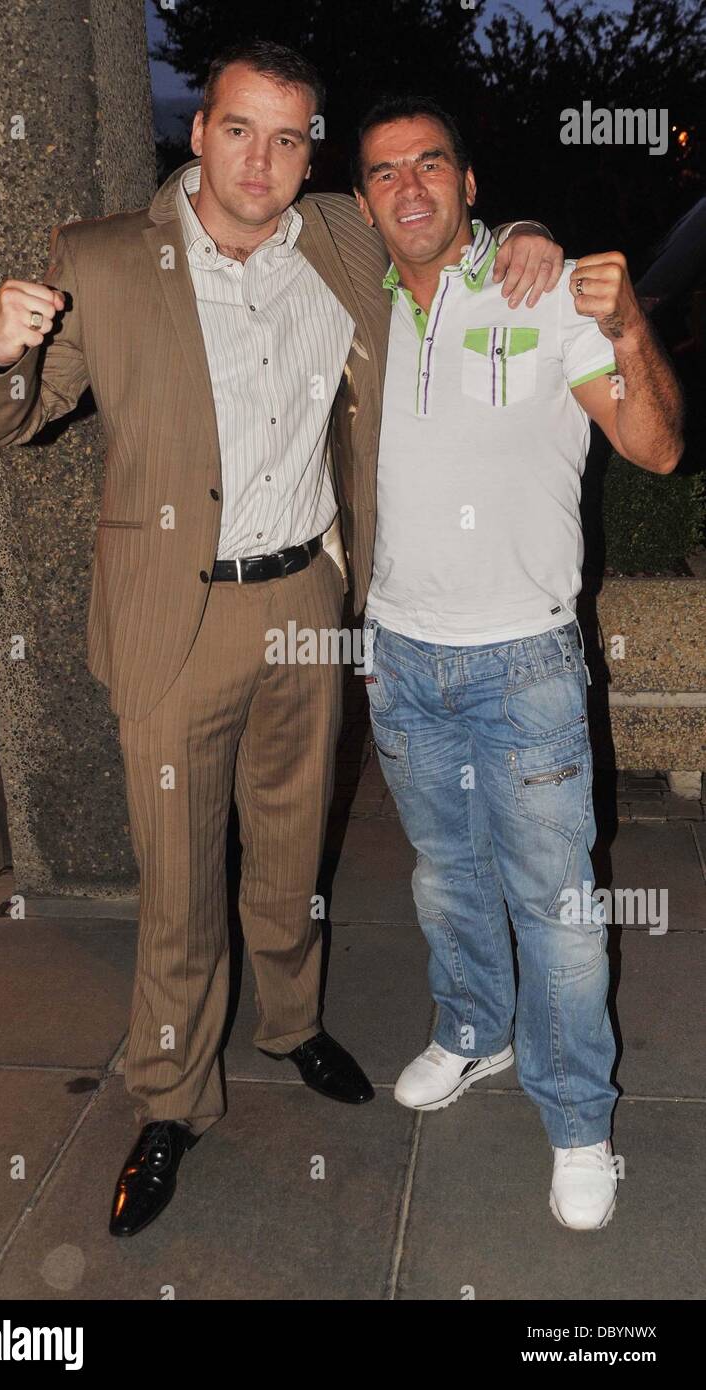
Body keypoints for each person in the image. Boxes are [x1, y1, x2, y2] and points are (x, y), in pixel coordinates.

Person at [0, 44, 562, 1239]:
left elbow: (439, 214)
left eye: (289, 139)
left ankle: (291, 1023)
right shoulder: (106, 259)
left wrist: (531, 227)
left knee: (291, 848)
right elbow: (10, 418)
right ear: (200, 133)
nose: (262, 160)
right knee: (182, 879)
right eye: (240, 129)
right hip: (175, 613)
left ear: (312, 152)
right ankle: (173, 1095)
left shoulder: (338, 237)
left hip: (305, 609)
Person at [350, 95, 683, 1231]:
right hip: (401, 656)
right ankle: (473, 1031)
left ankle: (581, 1118)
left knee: (560, 910)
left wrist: (630, 321)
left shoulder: (542, 290)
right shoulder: (361, 299)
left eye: (430, 164)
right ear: (363, 201)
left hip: (525, 662)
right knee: (444, 880)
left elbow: (657, 445)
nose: (409, 187)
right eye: (385, 172)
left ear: (469, 183)